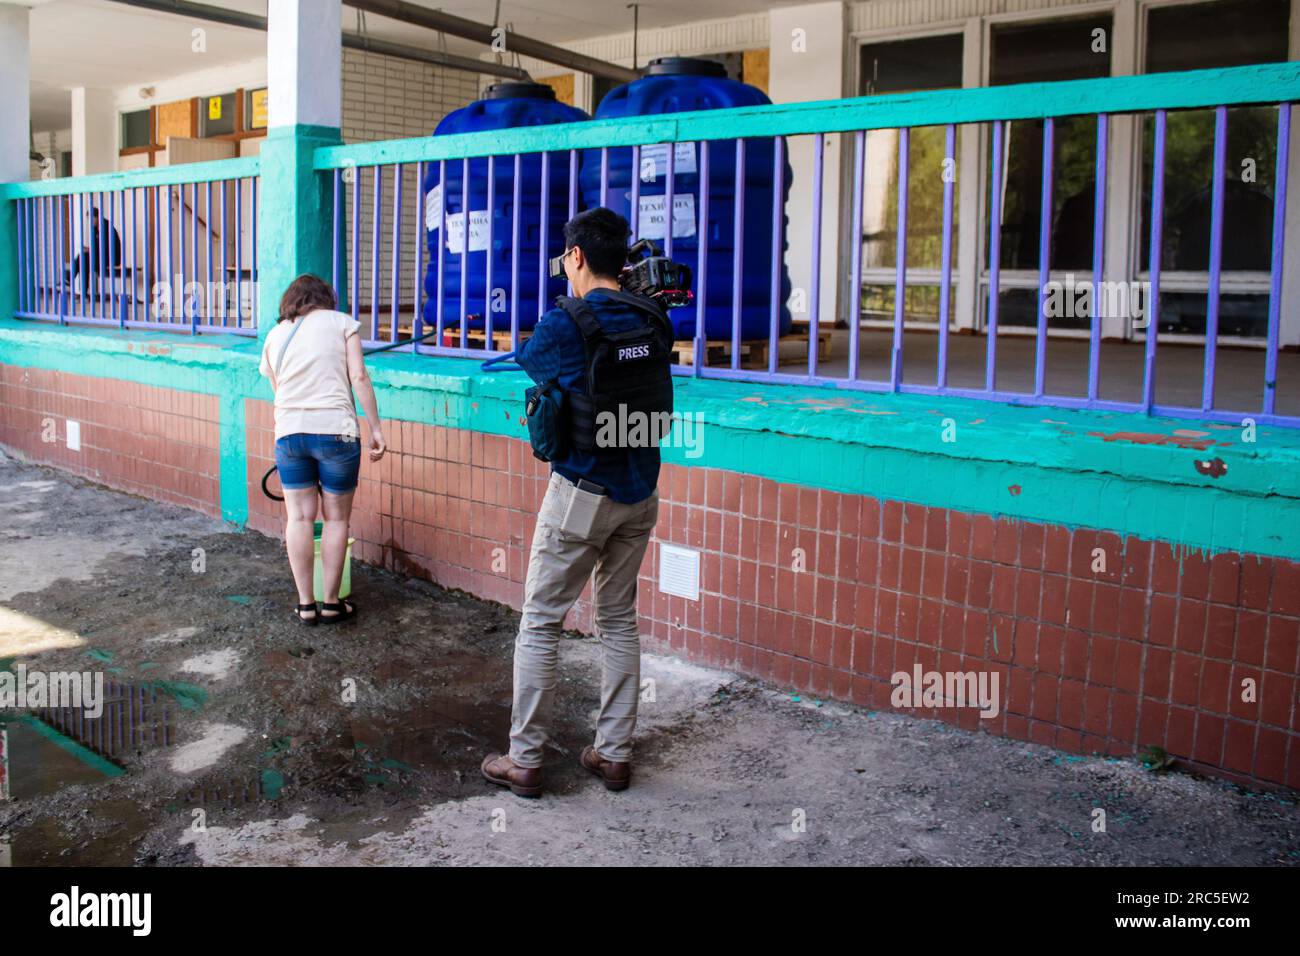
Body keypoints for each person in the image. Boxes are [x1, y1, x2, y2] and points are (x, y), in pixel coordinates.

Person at [481, 207, 674, 797]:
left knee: (541, 622)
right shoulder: (656, 316)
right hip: (640, 491)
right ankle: (613, 755)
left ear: (577, 257)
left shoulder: (566, 321)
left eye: (567, 257)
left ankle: (526, 761)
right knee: (618, 620)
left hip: (581, 496)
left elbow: (530, 360)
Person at [259, 274, 386, 625]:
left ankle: (305, 604)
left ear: (291, 301)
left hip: (290, 435)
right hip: (337, 434)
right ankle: (331, 603)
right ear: (326, 298)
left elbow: (277, 386)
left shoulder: (274, 335)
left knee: (299, 518)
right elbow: (359, 377)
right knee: (336, 519)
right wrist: (375, 428)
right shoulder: (343, 324)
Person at [67, 207, 122, 295]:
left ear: (96, 217)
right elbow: (96, 247)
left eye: (91, 219)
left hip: (111, 258)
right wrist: (89, 249)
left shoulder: (106, 227)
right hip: (101, 256)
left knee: (83, 258)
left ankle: (69, 278)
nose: (90, 222)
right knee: (83, 260)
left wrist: (89, 251)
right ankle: (82, 291)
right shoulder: (95, 228)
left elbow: (105, 247)